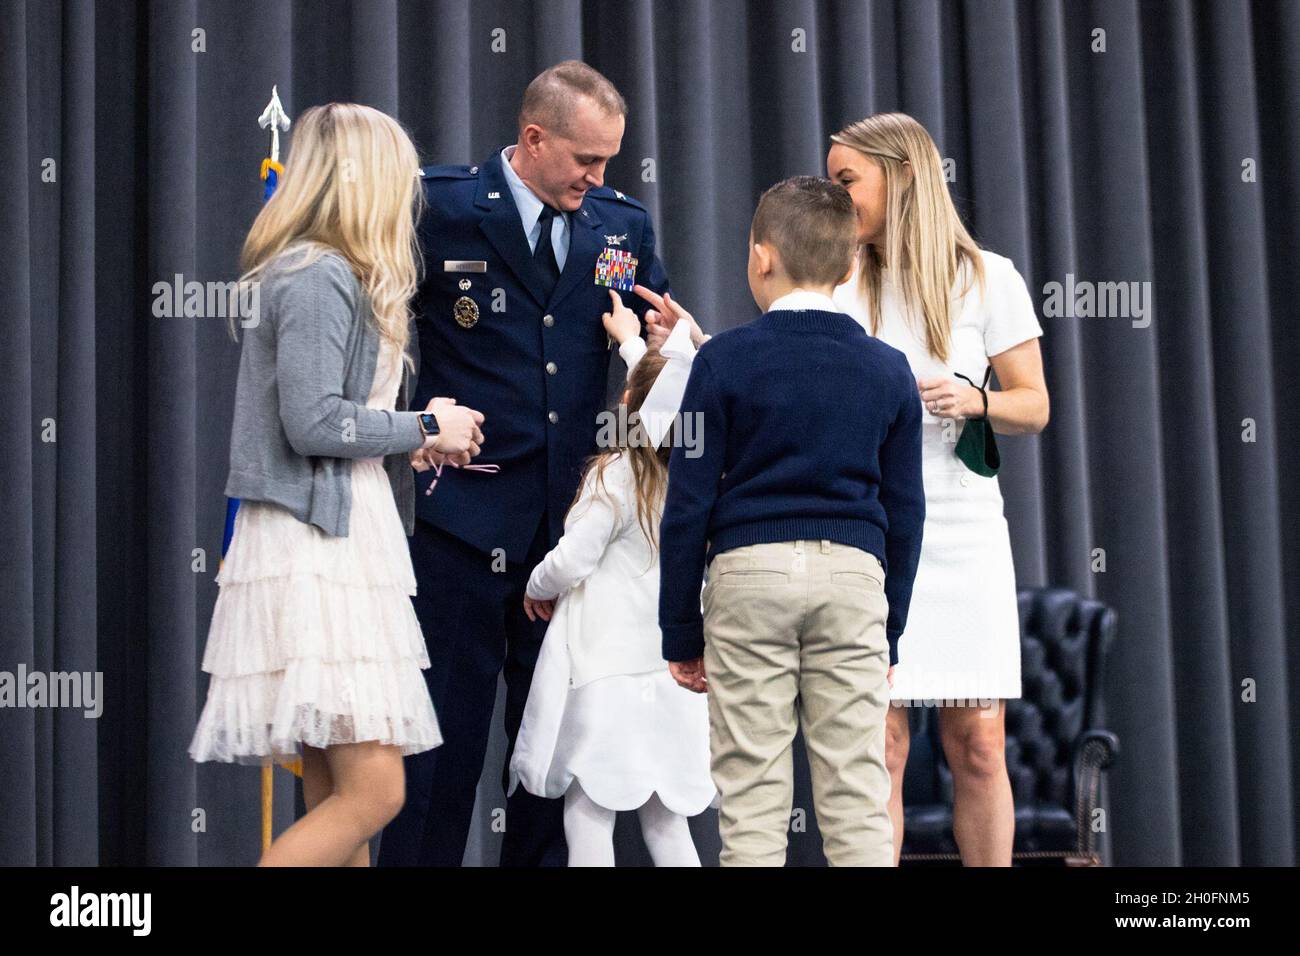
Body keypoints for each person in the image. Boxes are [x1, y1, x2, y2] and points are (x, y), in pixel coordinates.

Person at [378, 61, 671, 867]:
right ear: (533, 138)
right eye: (585, 159)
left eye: (609, 160)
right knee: (438, 750)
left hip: (565, 536)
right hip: (458, 528)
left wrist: (665, 346)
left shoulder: (621, 225)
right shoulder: (438, 207)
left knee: (551, 760)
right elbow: (379, 332)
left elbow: (652, 354)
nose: (598, 176)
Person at [188, 103, 486, 867]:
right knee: (376, 793)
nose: (410, 192)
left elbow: (340, 425)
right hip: (316, 549)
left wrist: (403, 442)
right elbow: (314, 424)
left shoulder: (326, 272)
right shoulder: (319, 275)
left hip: (337, 537)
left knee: (336, 800)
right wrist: (422, 427)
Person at [657, 176, 925, 866]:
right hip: (855, 576)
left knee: (750, 803)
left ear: (760, 256)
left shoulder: (718, 362)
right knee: (857, 798)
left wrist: (680, 629)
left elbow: (687, 502)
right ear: (849, 265)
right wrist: (889, 626)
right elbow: (906, 510)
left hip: (749, 575)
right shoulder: (890, 369)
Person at [828, 112, 1050, 866]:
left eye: (847, 180)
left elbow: (1035, 405)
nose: (837, 196)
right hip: (874, 531)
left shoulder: (989, 276)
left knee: (980, 744)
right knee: (881, 744)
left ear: (904, 177)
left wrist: (975, 399)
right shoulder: (838, 280)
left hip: (963, 530)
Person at [507, 297, 715, 867]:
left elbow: (573, 559)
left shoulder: (612, 478)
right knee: (668, 825)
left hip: (604, 678)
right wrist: (632, 344)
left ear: (624, 405)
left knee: (588, 814)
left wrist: (536, 584)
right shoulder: (699, 483)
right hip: (671, 676)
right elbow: (662, 396)